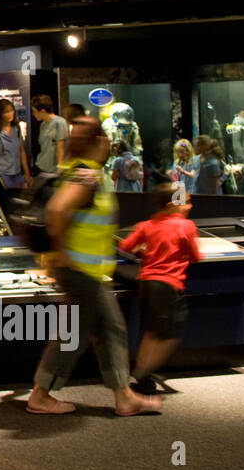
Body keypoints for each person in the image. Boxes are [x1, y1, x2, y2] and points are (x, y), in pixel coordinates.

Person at [26, 117, 160, 416]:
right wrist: (61, 253)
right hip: (79, 271)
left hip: (87, 272)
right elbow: (57, 209)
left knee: (108, 329)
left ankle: (123, 395)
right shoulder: (86, 175)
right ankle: (41, 395)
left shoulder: (80, 170)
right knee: (77, 333)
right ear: (100, 142)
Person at [120, 183, 201, 395]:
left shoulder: (146, 225)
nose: (189, 206)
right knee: (170, 334)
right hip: (169, 285)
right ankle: (142, 372)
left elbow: (125, 246)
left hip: (146, 283)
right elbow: (196, 257)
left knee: (151, 331)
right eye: (186, 201)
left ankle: (143, 376)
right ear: (172, 204)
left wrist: (143, 251)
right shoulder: (186, 226)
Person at [32, 94, 68, 175]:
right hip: (42, 167)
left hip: (54, 170)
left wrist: (60, 167)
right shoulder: (43, 125)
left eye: (34, 111)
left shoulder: (60, 122)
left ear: (43, 111)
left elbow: (60, 147)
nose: (33, 114)